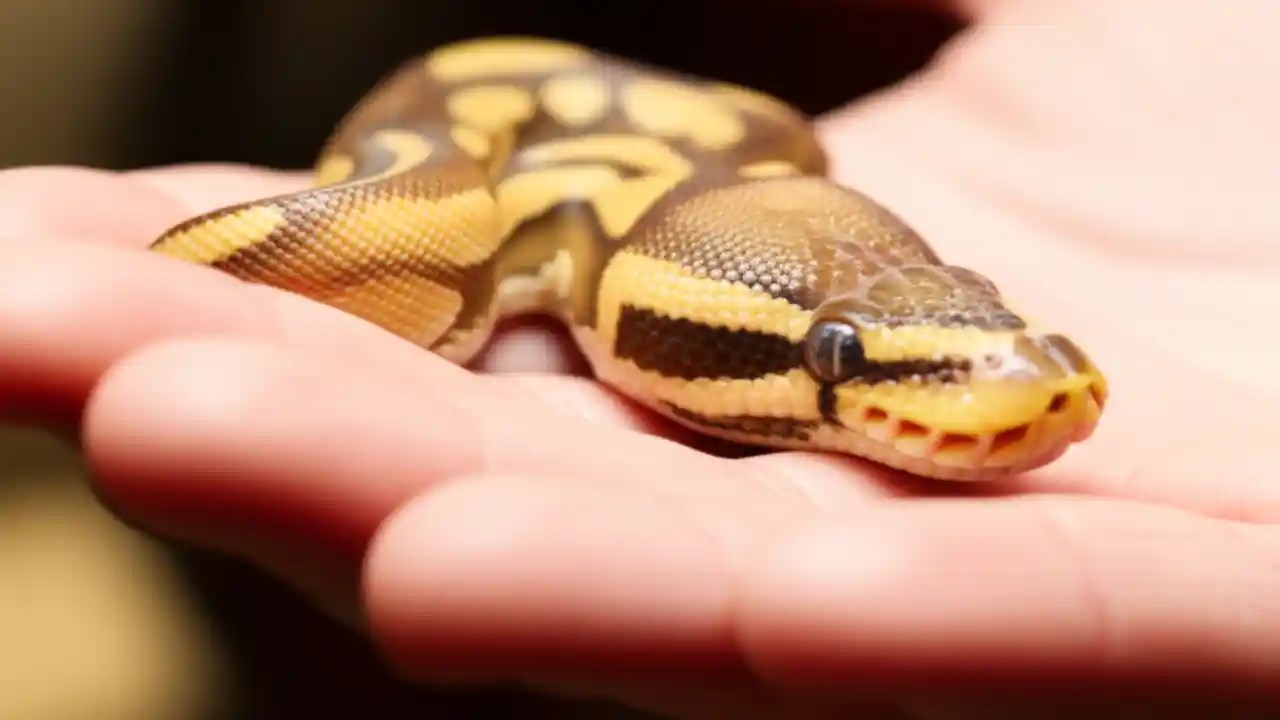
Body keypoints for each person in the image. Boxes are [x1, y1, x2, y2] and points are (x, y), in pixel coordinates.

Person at [2, 1, 1278, 716]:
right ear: (615, 311)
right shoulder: (492, 213)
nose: (1016, 382)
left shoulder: (716, 195)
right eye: (839, 356)